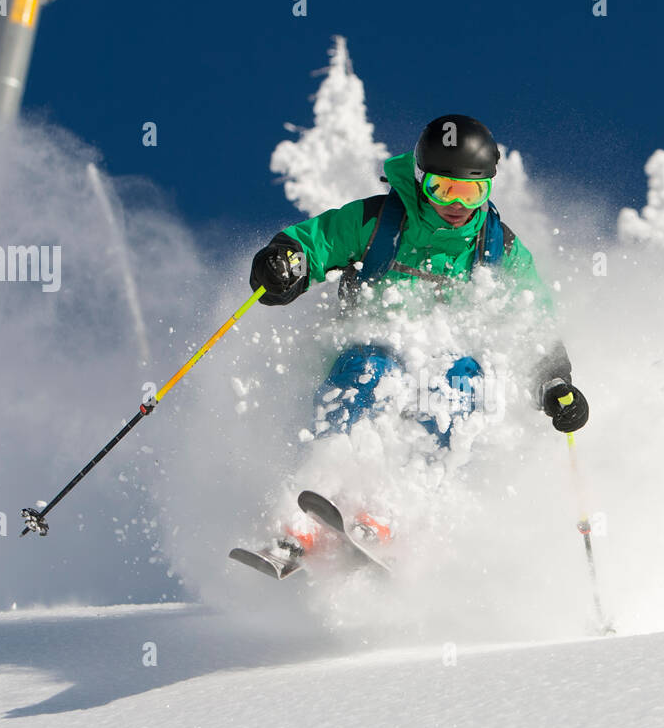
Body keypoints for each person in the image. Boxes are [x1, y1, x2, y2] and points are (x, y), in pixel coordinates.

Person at [243, 113, 590, 568]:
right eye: (443, 189)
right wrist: (286, 262)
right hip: (372, 344)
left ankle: (385, 514)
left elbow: (532, 320)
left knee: (461, 384)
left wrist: (553, 382)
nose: (456, 203)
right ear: (421, 179)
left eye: (472, 191)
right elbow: (318, 241)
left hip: (450, 360)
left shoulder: (498, 247)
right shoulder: (379, 220)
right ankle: (312, 510)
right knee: (373, 371)